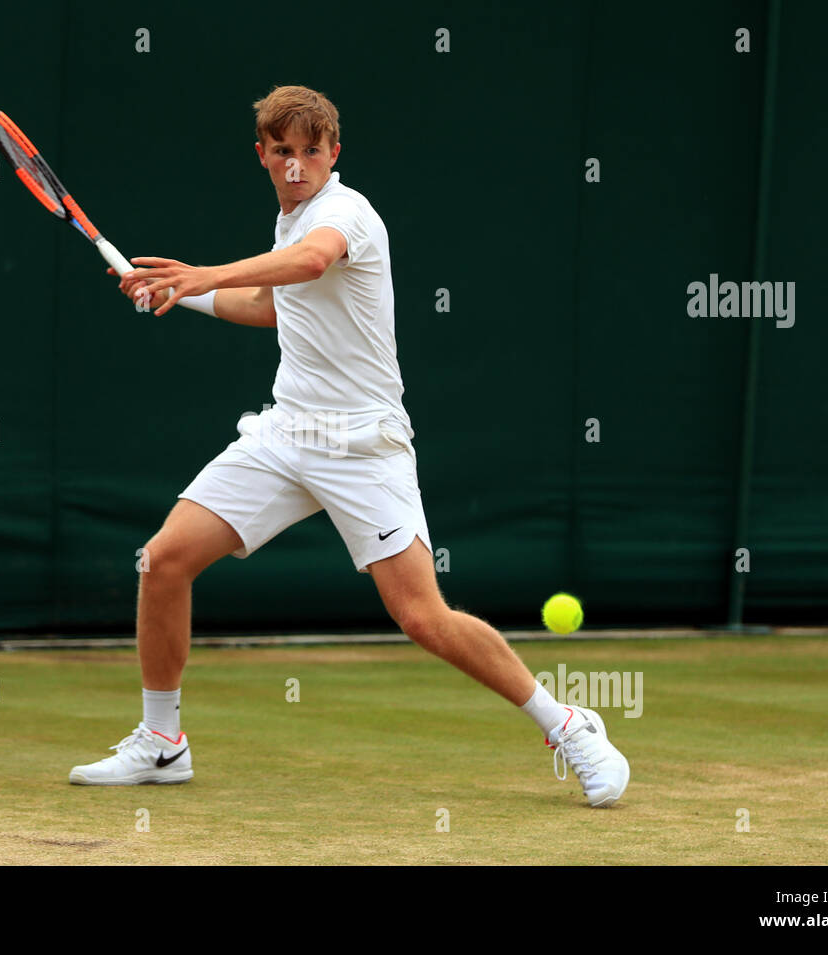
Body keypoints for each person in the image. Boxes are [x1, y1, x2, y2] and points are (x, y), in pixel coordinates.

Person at [68, 85, 629, 807]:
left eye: (310, 151)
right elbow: (272, 304)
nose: (296, 165)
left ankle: (571, 725)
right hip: (286, 432)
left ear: (333, 153)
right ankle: (162, 743)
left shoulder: (345, 214)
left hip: (365, 443)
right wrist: (179, 292)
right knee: (165, 559)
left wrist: (202, 271)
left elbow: (307, 265)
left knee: (424, 618)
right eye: (282, 152)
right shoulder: (288, 219)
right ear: (263, 155)